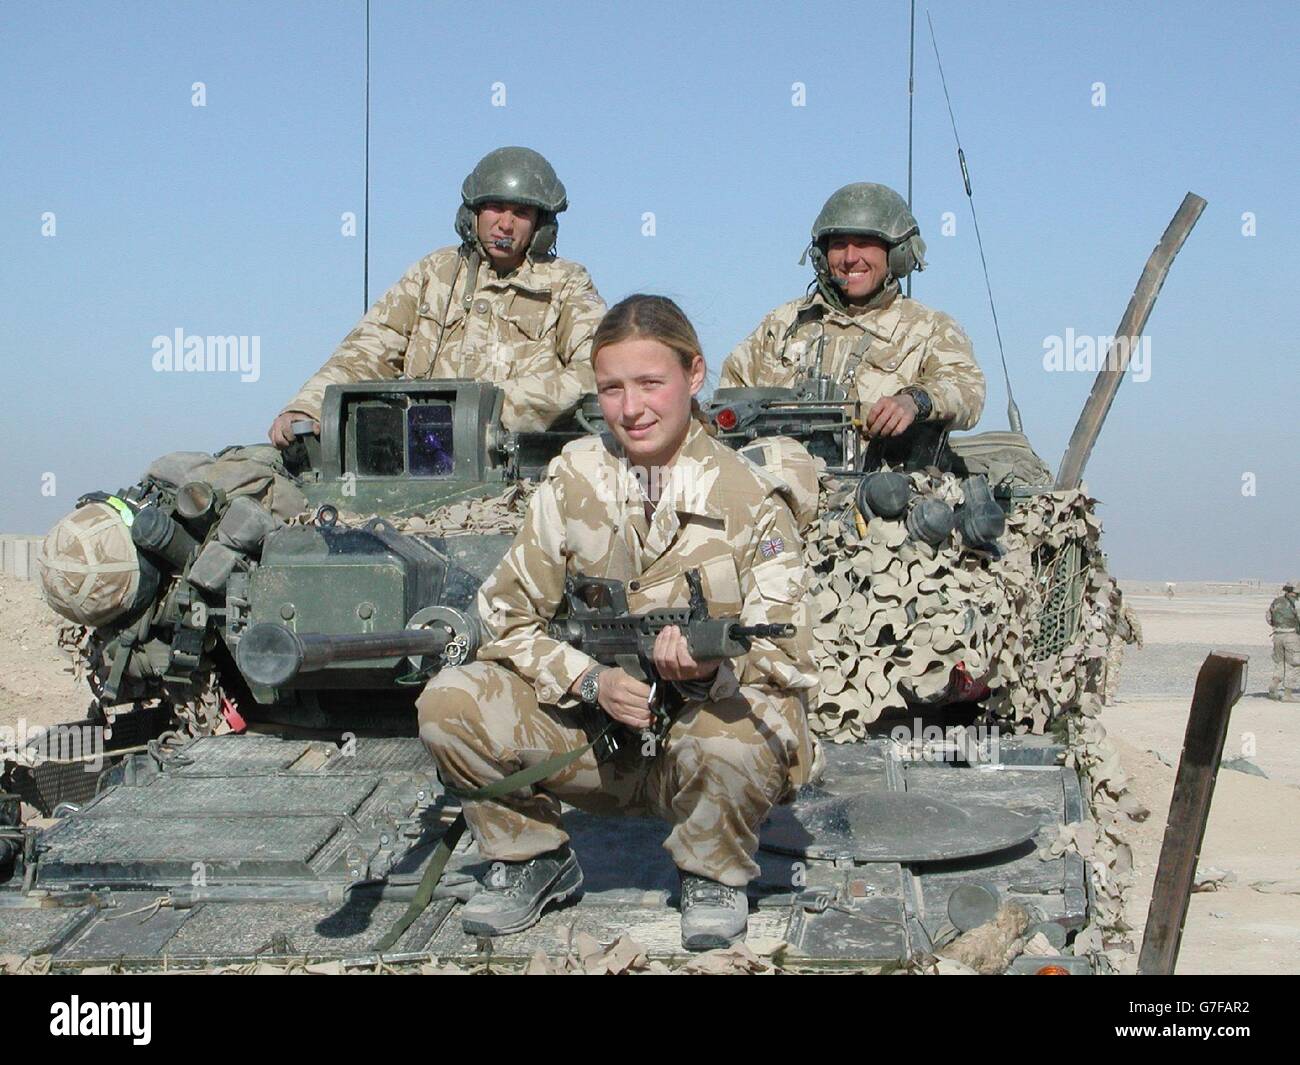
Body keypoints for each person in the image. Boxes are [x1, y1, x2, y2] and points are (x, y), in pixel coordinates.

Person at [416, 295, 817, 950]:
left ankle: (712, 868)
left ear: (693, 375)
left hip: (707, 744)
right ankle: (531, 858)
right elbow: (507, 616)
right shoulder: (574, 480)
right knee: (450, 702)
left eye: (651, 383)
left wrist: (713, 668)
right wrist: (587, 680)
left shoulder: (748, 496)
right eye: (611, 388)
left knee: (736, 733)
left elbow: (789, 651)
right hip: (602, 747)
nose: (632, 408)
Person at [268, 147, 605, 444]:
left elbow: (596, 371)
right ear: (471, 213)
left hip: (518, 461)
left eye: (521, 213)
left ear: (541, 227)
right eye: (494, 207)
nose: (505, 224)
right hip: (416, 458)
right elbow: (367, 349)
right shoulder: (433, 273)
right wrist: (308, 405)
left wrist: (487, 411)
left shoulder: (566, 284)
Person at [720, 182, 985, 440]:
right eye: (838, 244)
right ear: (821, 254)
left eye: (863, 243)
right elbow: (729, 395)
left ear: (897, 253)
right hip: (777, 478)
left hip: (884, 480)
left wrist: (915, 400)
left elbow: (966, 389)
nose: (849, 258)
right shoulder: (783, 325)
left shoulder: (930, 328)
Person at [1102, 603, 1144, 706]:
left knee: (1101, 667)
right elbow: (1135, 623)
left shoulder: (1102, 603)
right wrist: (1139, 640)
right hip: (1116, 640)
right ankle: (1109, 697)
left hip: (1101, 639)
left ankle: (1100, 696)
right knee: (1113, 668)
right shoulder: (1123, 604)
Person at [1267, 581, 1300, 700]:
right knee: (1293, 664)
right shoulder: (1297, 603)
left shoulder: (1277, 601)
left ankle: (1274, 685)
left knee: (1280, 663)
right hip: (1292, 636)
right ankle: (1288, 694)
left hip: (1277, 635)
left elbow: (1269, 618)